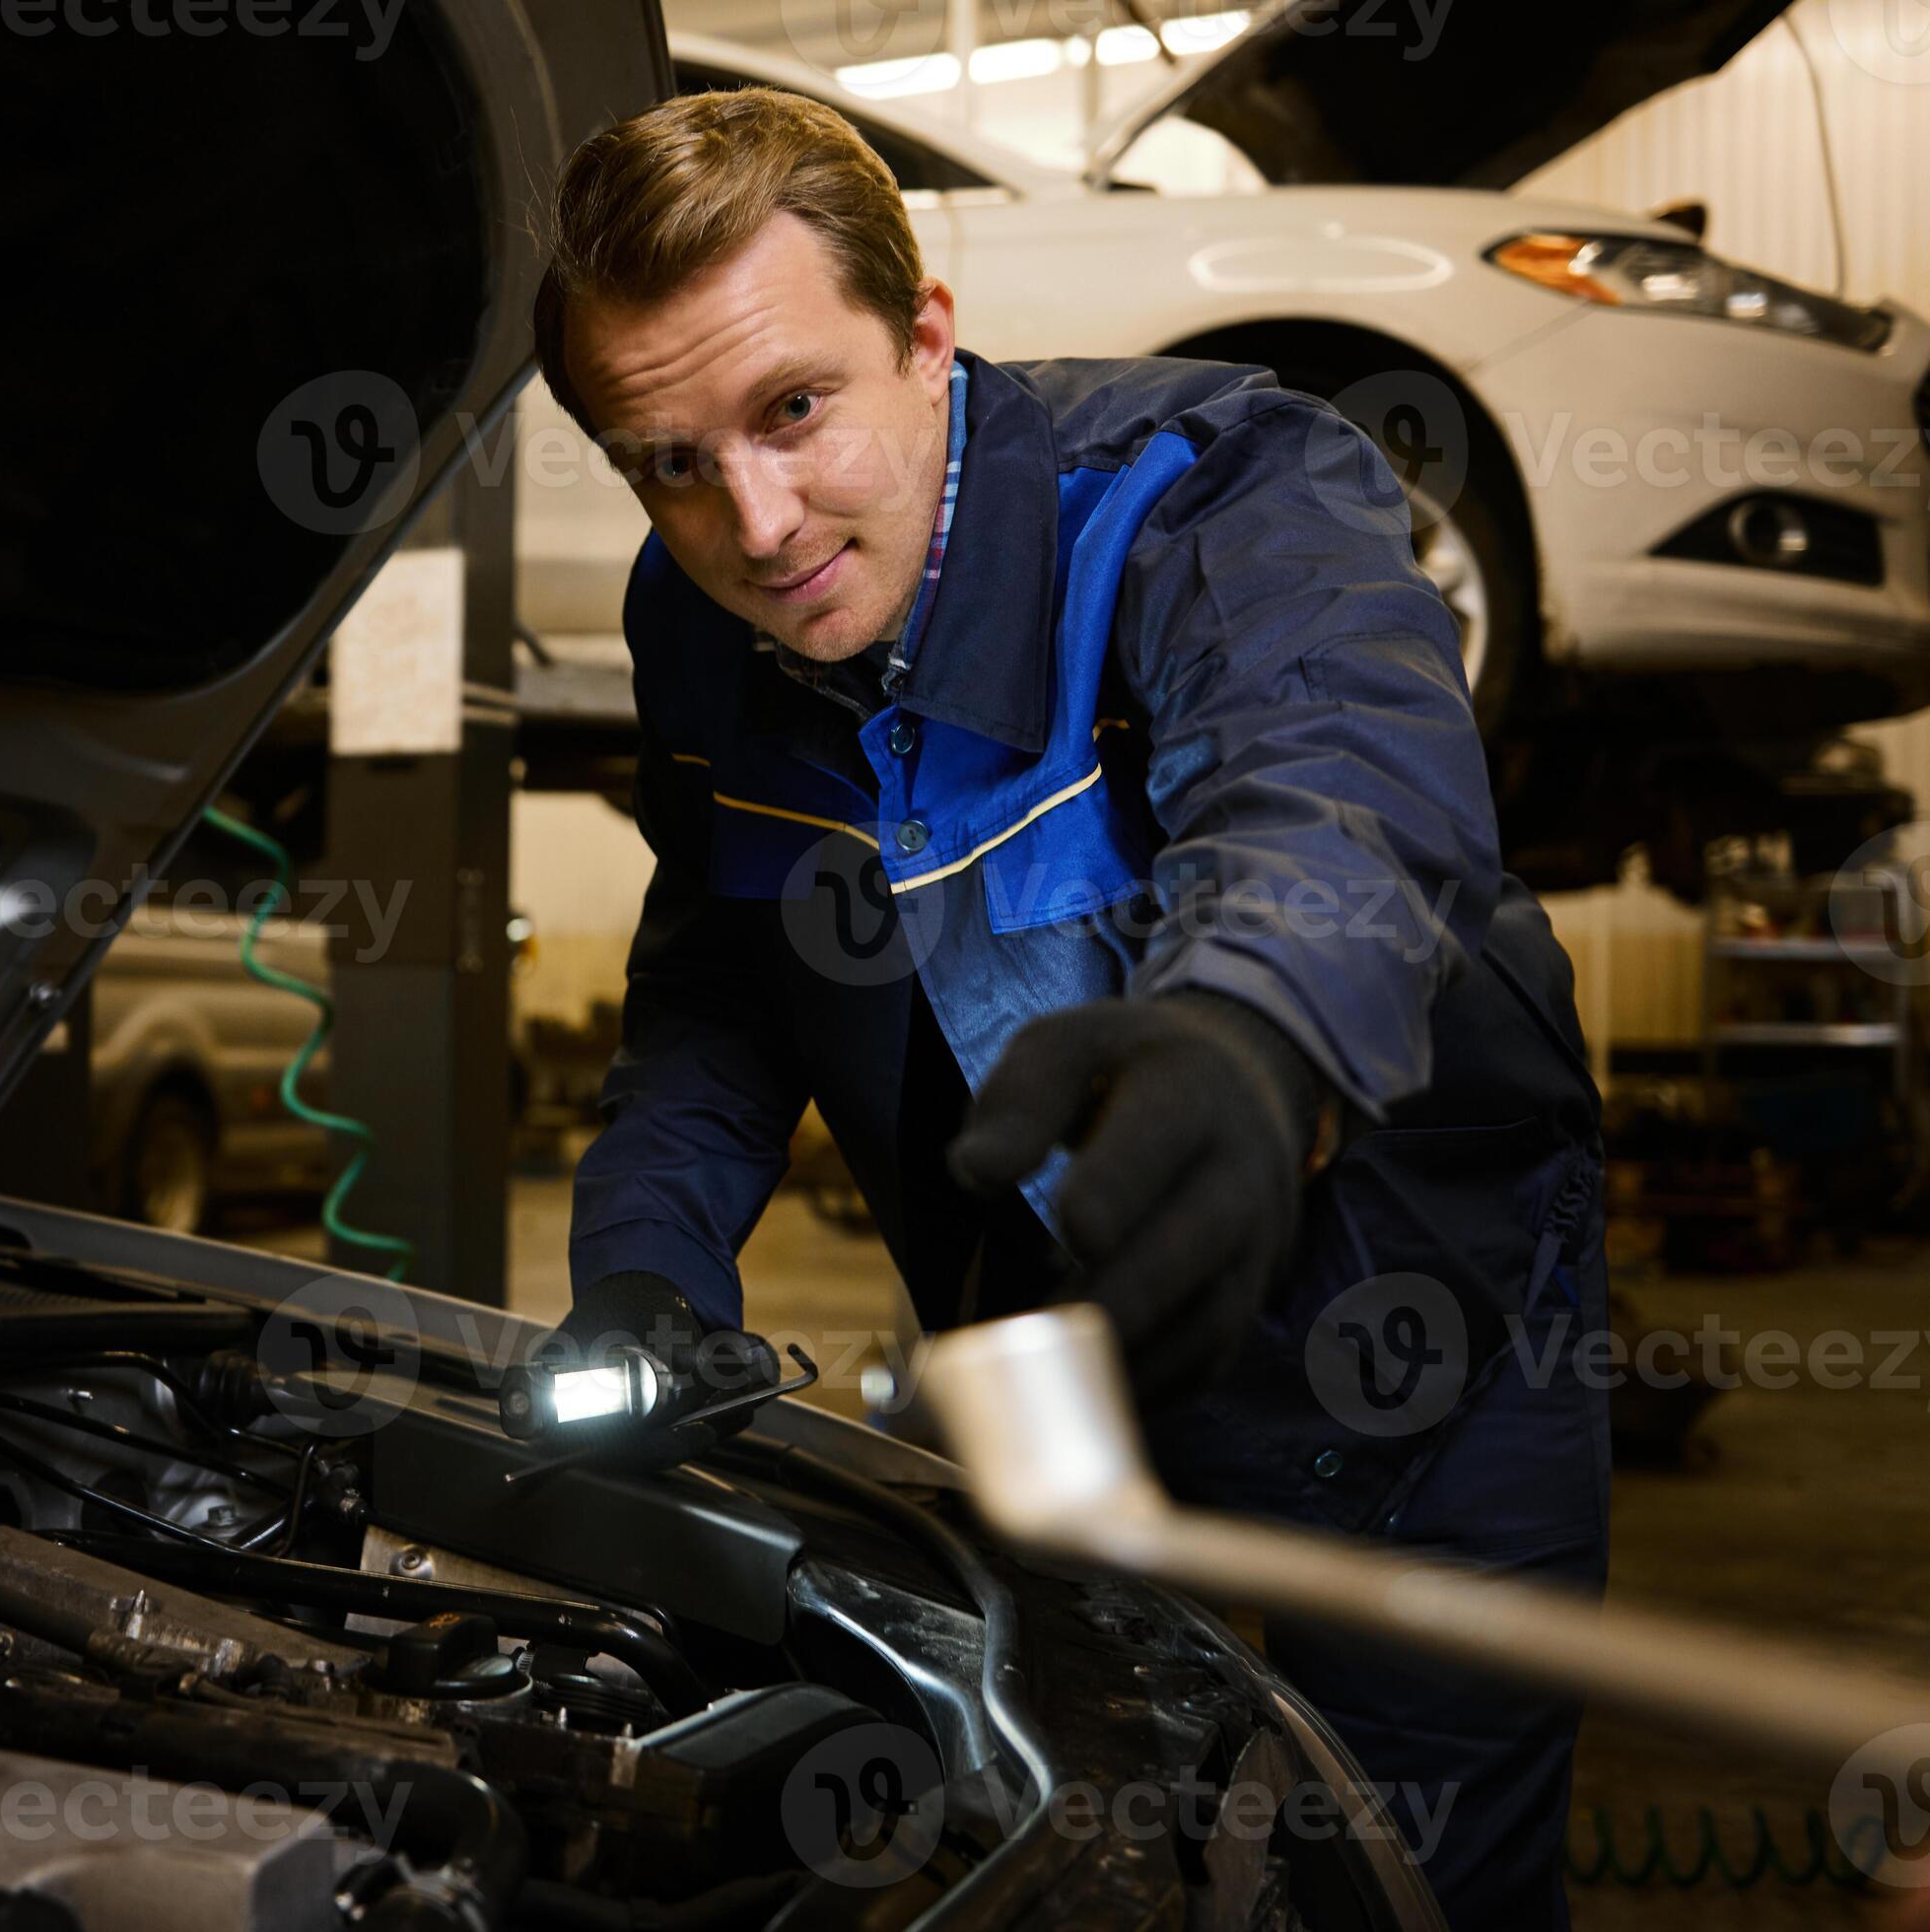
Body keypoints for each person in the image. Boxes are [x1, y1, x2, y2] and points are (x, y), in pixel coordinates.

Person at [529, 86, 1609, 1927]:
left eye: (792, 409)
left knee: (1409, 1877)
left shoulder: (1217, 484)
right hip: (1050, 1363)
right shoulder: (694, 617)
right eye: (666, 459)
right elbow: (717, 977)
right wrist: (641, 1265)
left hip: (1424, 1316)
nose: (755, 520)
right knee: (1062, 1847)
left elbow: (1336, 785)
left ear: (928, 332)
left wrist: (1248, 1044)